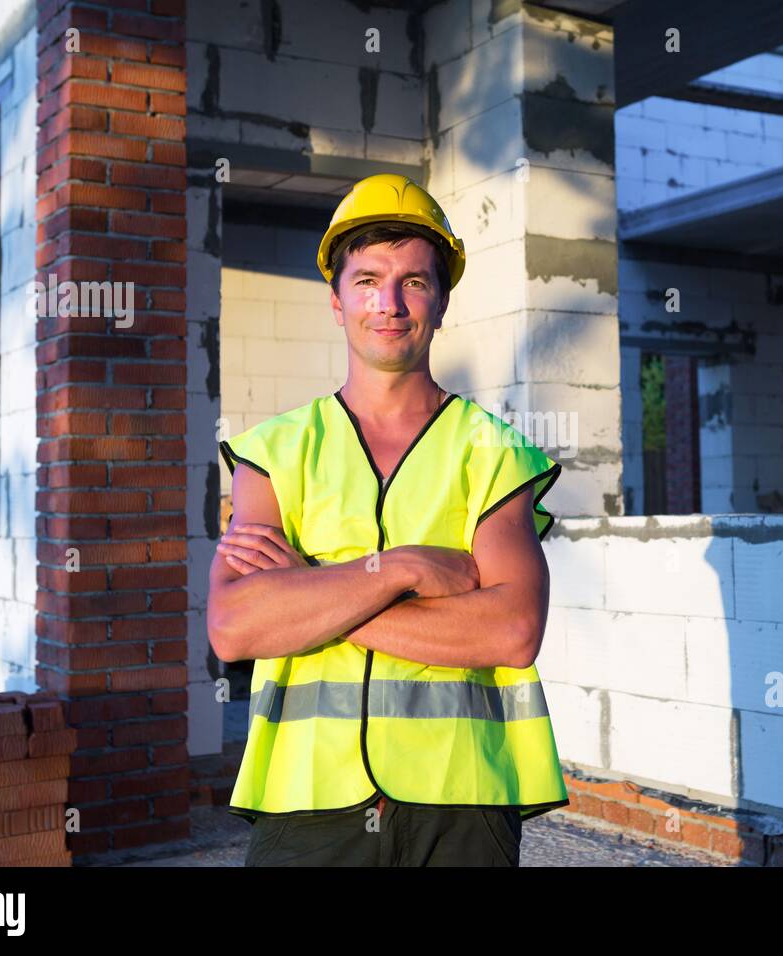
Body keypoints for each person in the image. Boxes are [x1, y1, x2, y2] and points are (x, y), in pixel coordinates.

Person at [207, 174, 568, 866]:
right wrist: (407, 569)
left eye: (415, 282)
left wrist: (312, 592)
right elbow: (235, 627)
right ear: (336, 300)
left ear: (441, 302)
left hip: (462, 799)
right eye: (368, 279)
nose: (390, 303)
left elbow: (514, 630)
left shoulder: (493, 452)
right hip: (306, 800)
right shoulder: (274, 452)